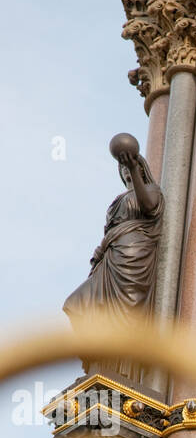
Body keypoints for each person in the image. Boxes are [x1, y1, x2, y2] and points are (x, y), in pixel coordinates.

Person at [63, 133, 163, 325]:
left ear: (141, 169)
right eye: (122, 167)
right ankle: (98, 352)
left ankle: (120, 351)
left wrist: (133, 169)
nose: (126, 170)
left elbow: (149, 206)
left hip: (134, 258)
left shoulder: (152, 190)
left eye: (130, 166)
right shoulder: (118, 200)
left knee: (127, 313)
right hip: (111, 257)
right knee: (76, 303)